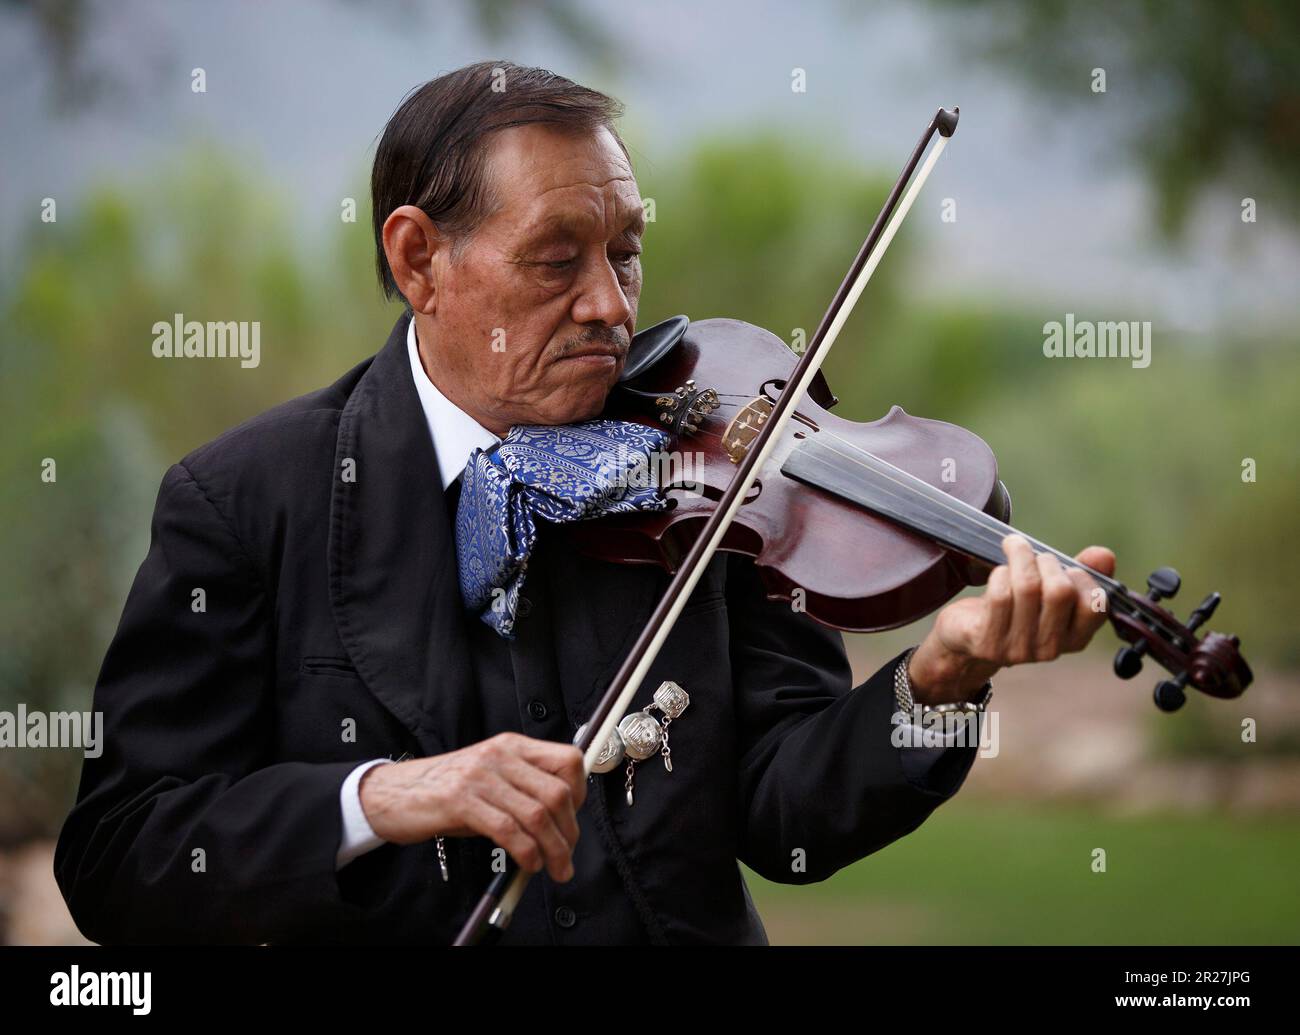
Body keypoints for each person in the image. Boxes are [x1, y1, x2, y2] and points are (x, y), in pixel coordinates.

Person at [54, 61, 1115, 945]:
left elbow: (788, 812)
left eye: (626, 252)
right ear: (418, 258)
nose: (610, 306)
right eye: (556, 260)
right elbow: (120, 856)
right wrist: (377, 797)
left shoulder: (712, 479)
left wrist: (938, 676)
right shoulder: (245, 501)